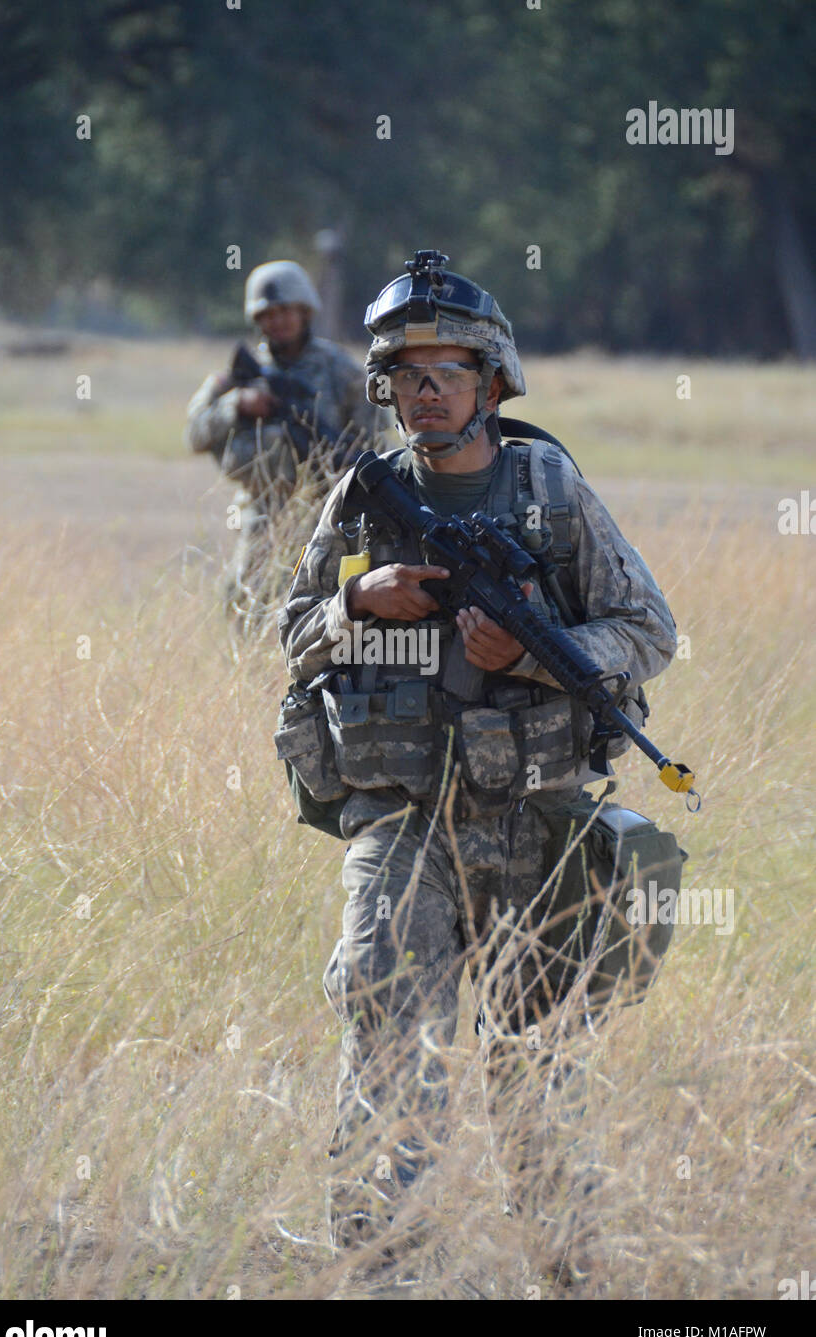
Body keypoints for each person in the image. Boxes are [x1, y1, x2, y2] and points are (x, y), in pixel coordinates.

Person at [277, 251, 679, 1274]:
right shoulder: (366, 496)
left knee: (535, 1066)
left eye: (441, 372)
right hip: (401, 824)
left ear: (492, 378)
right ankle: (383, 1269)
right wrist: (359, 603)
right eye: (403, 376)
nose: (420, 393)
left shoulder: (549, 487)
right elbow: (291, 632)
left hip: (537, 823)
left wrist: (550, 658)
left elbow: (649, 628)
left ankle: (570, 1266)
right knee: (386, 1040)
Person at [185, 259, 379, 616]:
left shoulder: (341, 370)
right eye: (268, 314)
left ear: (305, 311)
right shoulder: (239, 376)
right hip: (262, 513)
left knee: (324, 605)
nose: (278, 321)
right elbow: (194, 434)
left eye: (285, 310)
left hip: (327, 511)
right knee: (247, 604)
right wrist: (237, 405)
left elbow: (373, 441)